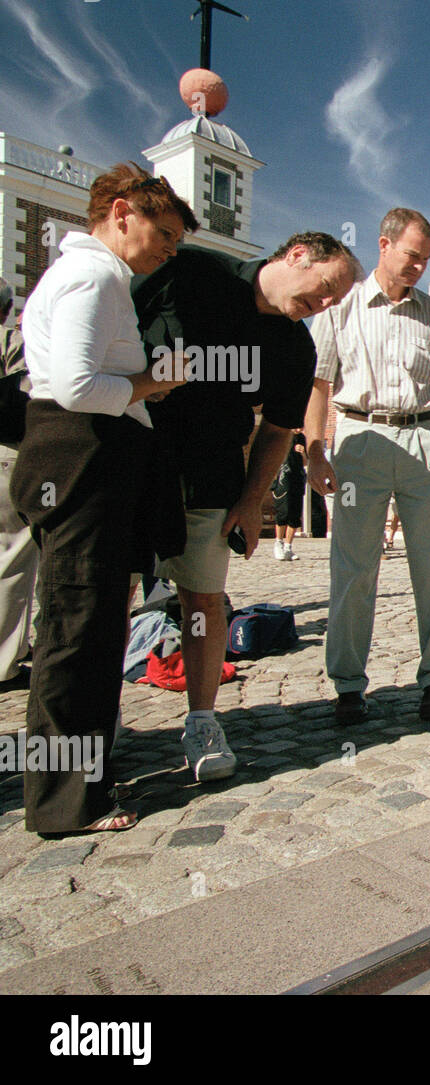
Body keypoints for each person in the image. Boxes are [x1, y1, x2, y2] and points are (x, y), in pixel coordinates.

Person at [12, 164, 196, 834]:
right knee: (74, 632)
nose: (166, 252)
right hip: (81, 456)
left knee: (87, 629)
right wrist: (152, 383)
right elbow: (74, 384)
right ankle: (63, 803)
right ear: (122, 212)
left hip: (89, 460)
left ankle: (81, 783)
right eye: (164, 235)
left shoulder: (95, 277)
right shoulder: (92, 276)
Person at [133, 231, 357, 781]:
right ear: (297, 255)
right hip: (132, 459)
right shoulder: (189, 271)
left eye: (335, 301)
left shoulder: (294, 346)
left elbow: (279, 430)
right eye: (325, 288)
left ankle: (203, 721)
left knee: (205, 603)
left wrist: (251, 502)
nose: (324, 305)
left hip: (211, 477)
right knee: (107, 593)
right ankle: (98, 719)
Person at [304, 208, 430, 724]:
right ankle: (347, 687)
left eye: (426, 261)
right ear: (383, 245)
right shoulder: (340, 309)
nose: (419, 269)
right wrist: (315, 448)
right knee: (355, 569)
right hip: (359, 437)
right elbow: (318, 383)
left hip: (423, 439)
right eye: (411, 256)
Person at [0, 277, 38, 694]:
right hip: (8, 453)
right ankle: (4, 663)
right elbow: (29, 395)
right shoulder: (13, 340)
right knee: (11, 561)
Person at [272, 431, 307, 560]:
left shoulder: (301, 438)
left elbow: (305, 463)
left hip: (297, 478)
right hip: (283, 478)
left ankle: (288, 547)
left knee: (295, 513)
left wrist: (302, 452)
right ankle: (278, 543)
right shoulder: (283, 434)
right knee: (283, 512)